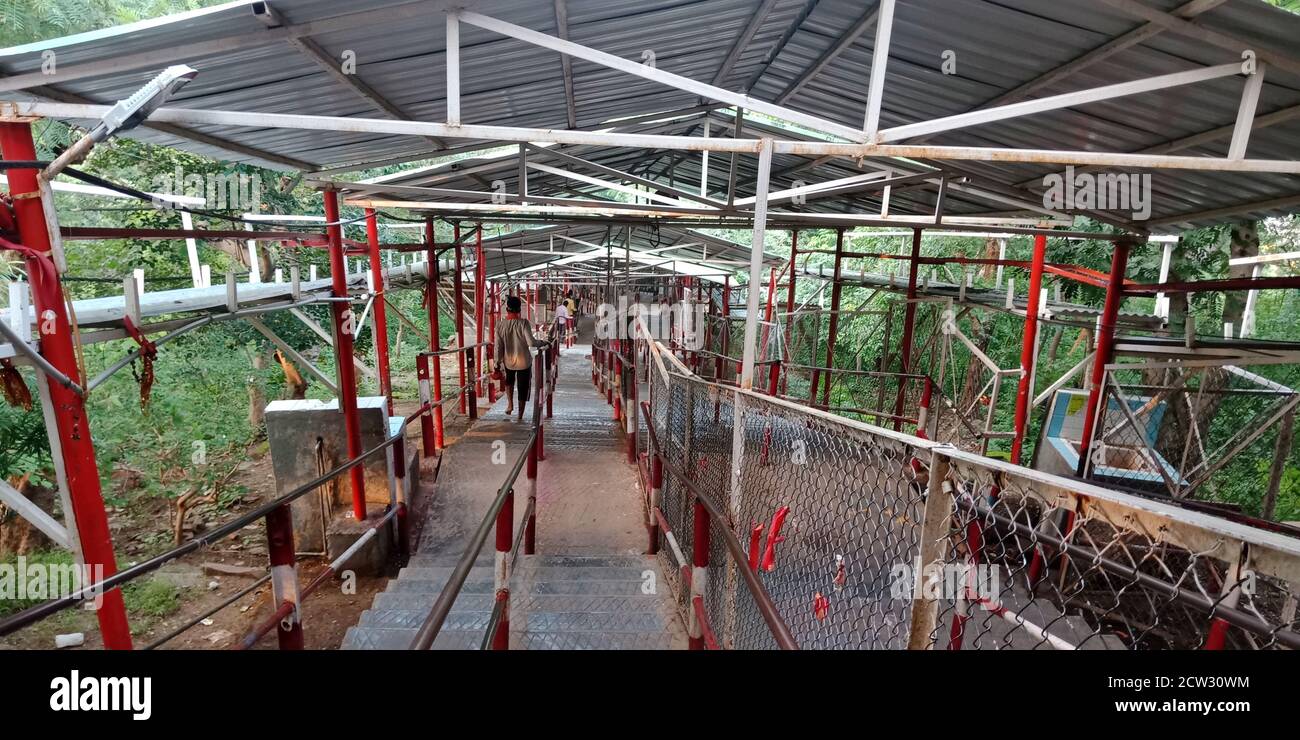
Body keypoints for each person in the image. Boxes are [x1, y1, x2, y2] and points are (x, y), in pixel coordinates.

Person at [495, 294, 546, 421]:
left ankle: (510, 404)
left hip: (508, 361)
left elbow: (498, 347)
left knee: (509, 382)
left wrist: (497, 362)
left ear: (507, 309)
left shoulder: (500, 326)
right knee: (523, 387)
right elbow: (531, 343)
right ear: (519, 309)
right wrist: (542, 342)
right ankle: (520, 415)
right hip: (524, 361)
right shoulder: (524, 324)